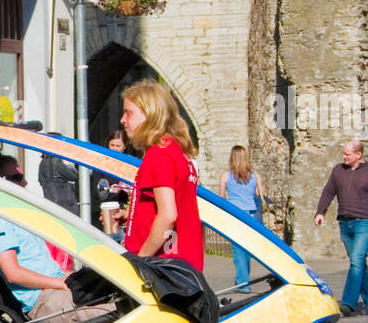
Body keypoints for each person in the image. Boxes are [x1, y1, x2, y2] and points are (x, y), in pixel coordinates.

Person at [0, 156, 109, 323]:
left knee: (117, 291)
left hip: (55, 285)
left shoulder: (18, 216)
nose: (25, 183)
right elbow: (13, 274)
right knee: (115, 312)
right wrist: (62, 284)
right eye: (18, 178)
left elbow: (43, 264)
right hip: (41, 298)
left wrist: (70, 276)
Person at [119, 80, 204, 270]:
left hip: (163, 267)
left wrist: (139, 260)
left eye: (129, 112)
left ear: (150, 114)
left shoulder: (158, 154)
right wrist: (131, 216)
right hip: (183, 264)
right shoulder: (177, 152)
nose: (123, 120)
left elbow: (168, 215)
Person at [315, 138, 368, 317]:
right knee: (359, 263)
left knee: (356, 260)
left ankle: (348, 302)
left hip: (364, 223)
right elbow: (328, 192)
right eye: (344, 154)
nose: (344, 157)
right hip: (345, 224)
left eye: (347, 154)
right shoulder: (338, 171)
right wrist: (320, 212)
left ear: (358, 154)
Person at [218, 144, 265, 291]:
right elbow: (259, 193)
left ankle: (243, 283)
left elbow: (220, 197)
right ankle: (243, 279)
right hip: (251, 214)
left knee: (238, 249)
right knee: (247, 248)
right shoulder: (254, 175)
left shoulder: (226, 175)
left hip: (235, 214)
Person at [95, 130, 131, 240]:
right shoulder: (102, 164)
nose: (114, 148)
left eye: (118, 146)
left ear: (124, 147)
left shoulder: (129, 163)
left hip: (128, 211)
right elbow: (97, 191)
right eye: (112, 145)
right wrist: (114, 191)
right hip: (110, 211)